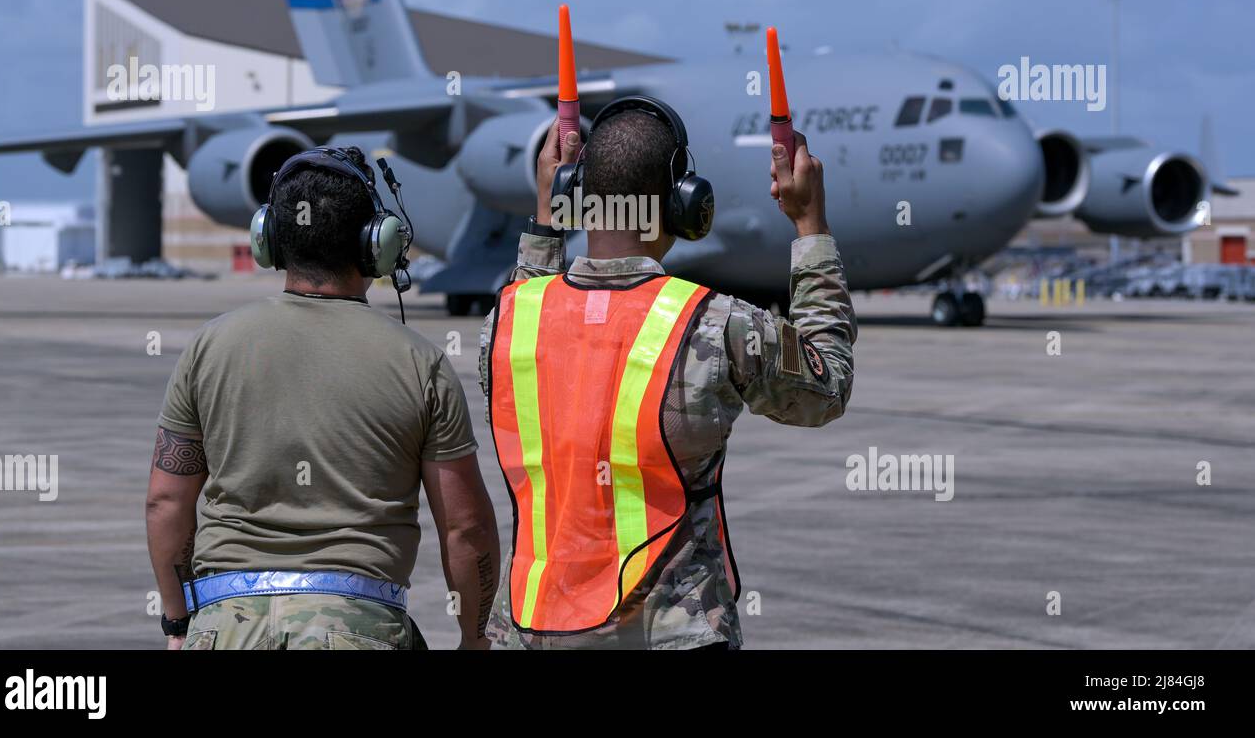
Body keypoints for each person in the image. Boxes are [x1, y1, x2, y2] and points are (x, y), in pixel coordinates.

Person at [478, 96, 857, 650]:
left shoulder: (509, 323)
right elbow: (827, 387)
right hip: (668, 636)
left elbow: (528, 297)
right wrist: (810, 224)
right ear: (683, 201)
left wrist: (548, 212)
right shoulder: (714, 323)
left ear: (575, 195)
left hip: (534, 628)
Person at [145, 146, 499, 650]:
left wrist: (179, 624)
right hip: (357, 625)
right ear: (375, 244)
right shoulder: (421, 363)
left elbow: (165, 502)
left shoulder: (208, 346)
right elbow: (466, 528)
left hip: (225, 624)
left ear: (269, 240)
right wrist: (474, 638)